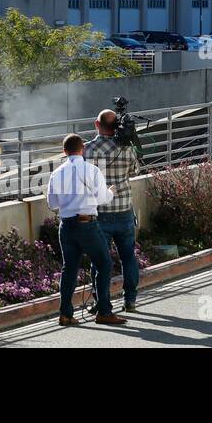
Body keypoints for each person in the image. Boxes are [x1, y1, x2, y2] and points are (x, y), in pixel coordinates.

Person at [46, 133, 127, 326]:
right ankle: (104, 311)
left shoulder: (56, 173)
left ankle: (66, 314)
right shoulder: (92, 170)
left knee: (69, 269)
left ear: (64, 151)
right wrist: (110, 192)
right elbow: (101, 199)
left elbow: (52, 204)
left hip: (66, 225)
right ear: (82, 149)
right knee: (104, 264)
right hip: (87, 224)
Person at [86, 108, 141, 312]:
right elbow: (135, 170)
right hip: (125, 208)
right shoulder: (127, 147)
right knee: (128, 256)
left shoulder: (89, 149)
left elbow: (84, 179)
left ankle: (101, 301)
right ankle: (131, 299)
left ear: (97, 124)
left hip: (100, 212)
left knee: (99, 260)